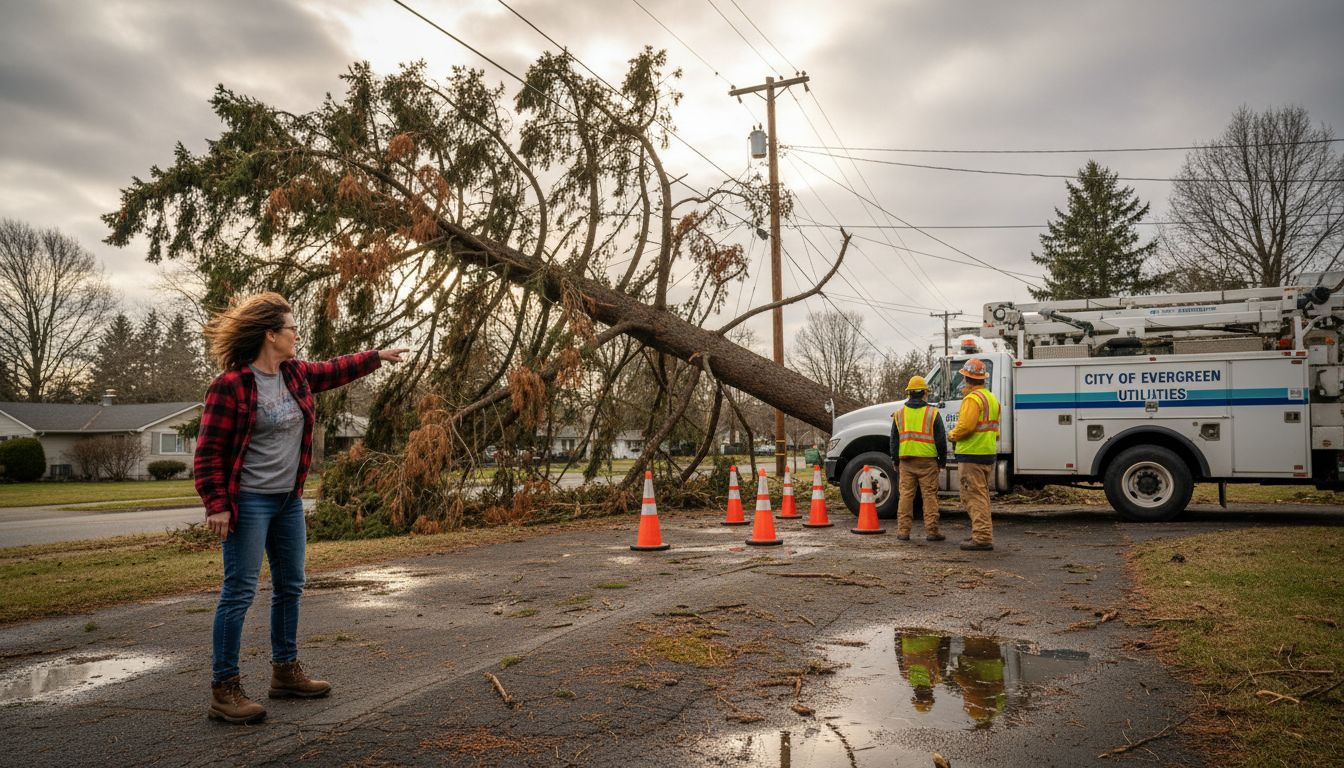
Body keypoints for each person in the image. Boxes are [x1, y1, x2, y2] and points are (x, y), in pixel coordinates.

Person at [196, 292, 407, 724]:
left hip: (288, 501)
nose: (297, 335)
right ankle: (225, 687)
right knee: (239, 592)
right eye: (291, 329)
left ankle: (285, 672)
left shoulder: (294, 375)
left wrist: (376, 356)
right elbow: (209, 452)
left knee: (291, 586)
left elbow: (334, 369)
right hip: (249, 503)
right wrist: (217, 505)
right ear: (270, 335)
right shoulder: (231, 385)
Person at [946, 358, 999, 551]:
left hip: (971, 455)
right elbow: (995, 429)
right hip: (987, 454)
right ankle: (982, 534)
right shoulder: (991, 399)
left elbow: (965, 427)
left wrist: (952, 435)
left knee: (973, 497)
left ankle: (982, 537)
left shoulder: (972, 399)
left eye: (964, 379)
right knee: (980, 495)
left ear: (968, 379)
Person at [889, 375, 947, 541]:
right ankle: (932, 531)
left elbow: (893, 440)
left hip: (906, 462)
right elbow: (941, 440)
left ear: (909, 393)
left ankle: (903, 531)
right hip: (928, 462)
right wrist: (941, 461)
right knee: (929, 495)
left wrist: (895, 460)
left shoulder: (899, 414)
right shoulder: (932, 413)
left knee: (906, 495)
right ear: (925, 393)